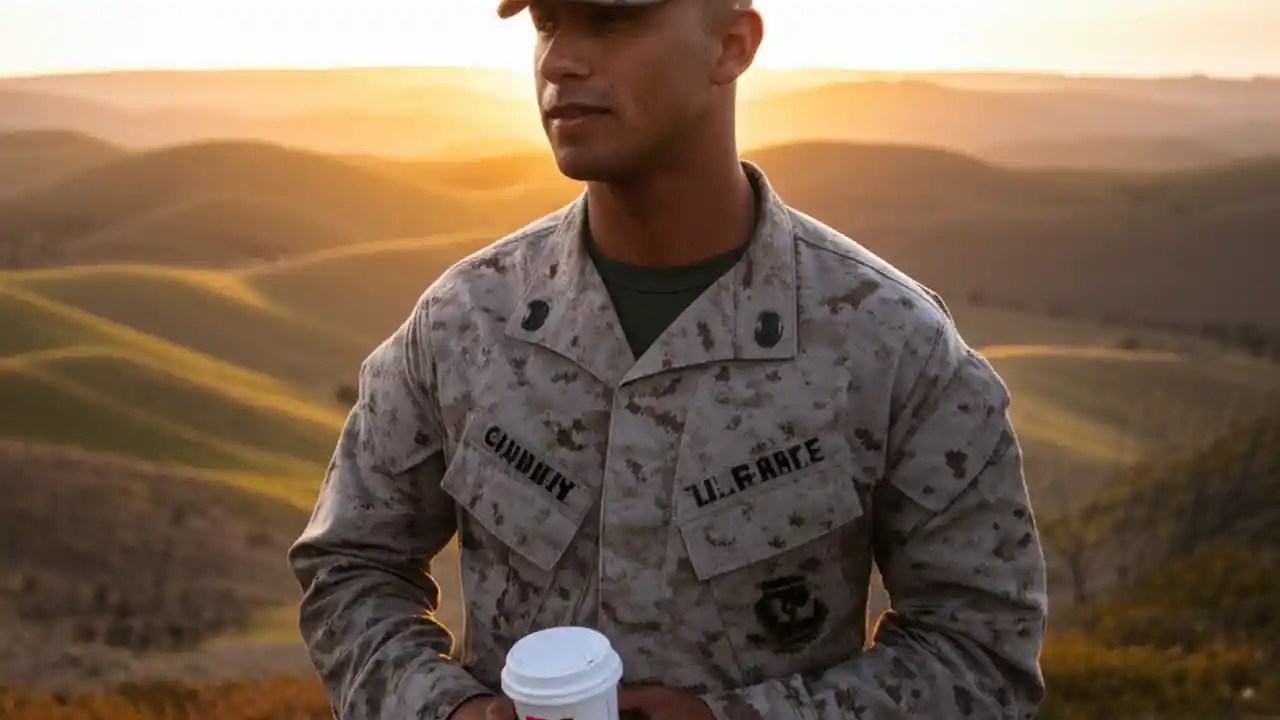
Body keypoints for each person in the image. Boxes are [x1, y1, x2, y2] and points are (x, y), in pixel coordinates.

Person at [287, 0, 1049, 718]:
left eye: (612, 23)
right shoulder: (467, 323)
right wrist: (447, 708)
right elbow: (351, 565)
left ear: (732, 46)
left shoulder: (891, 345)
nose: (561, 61)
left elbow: (980, 652)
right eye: (550, 23)